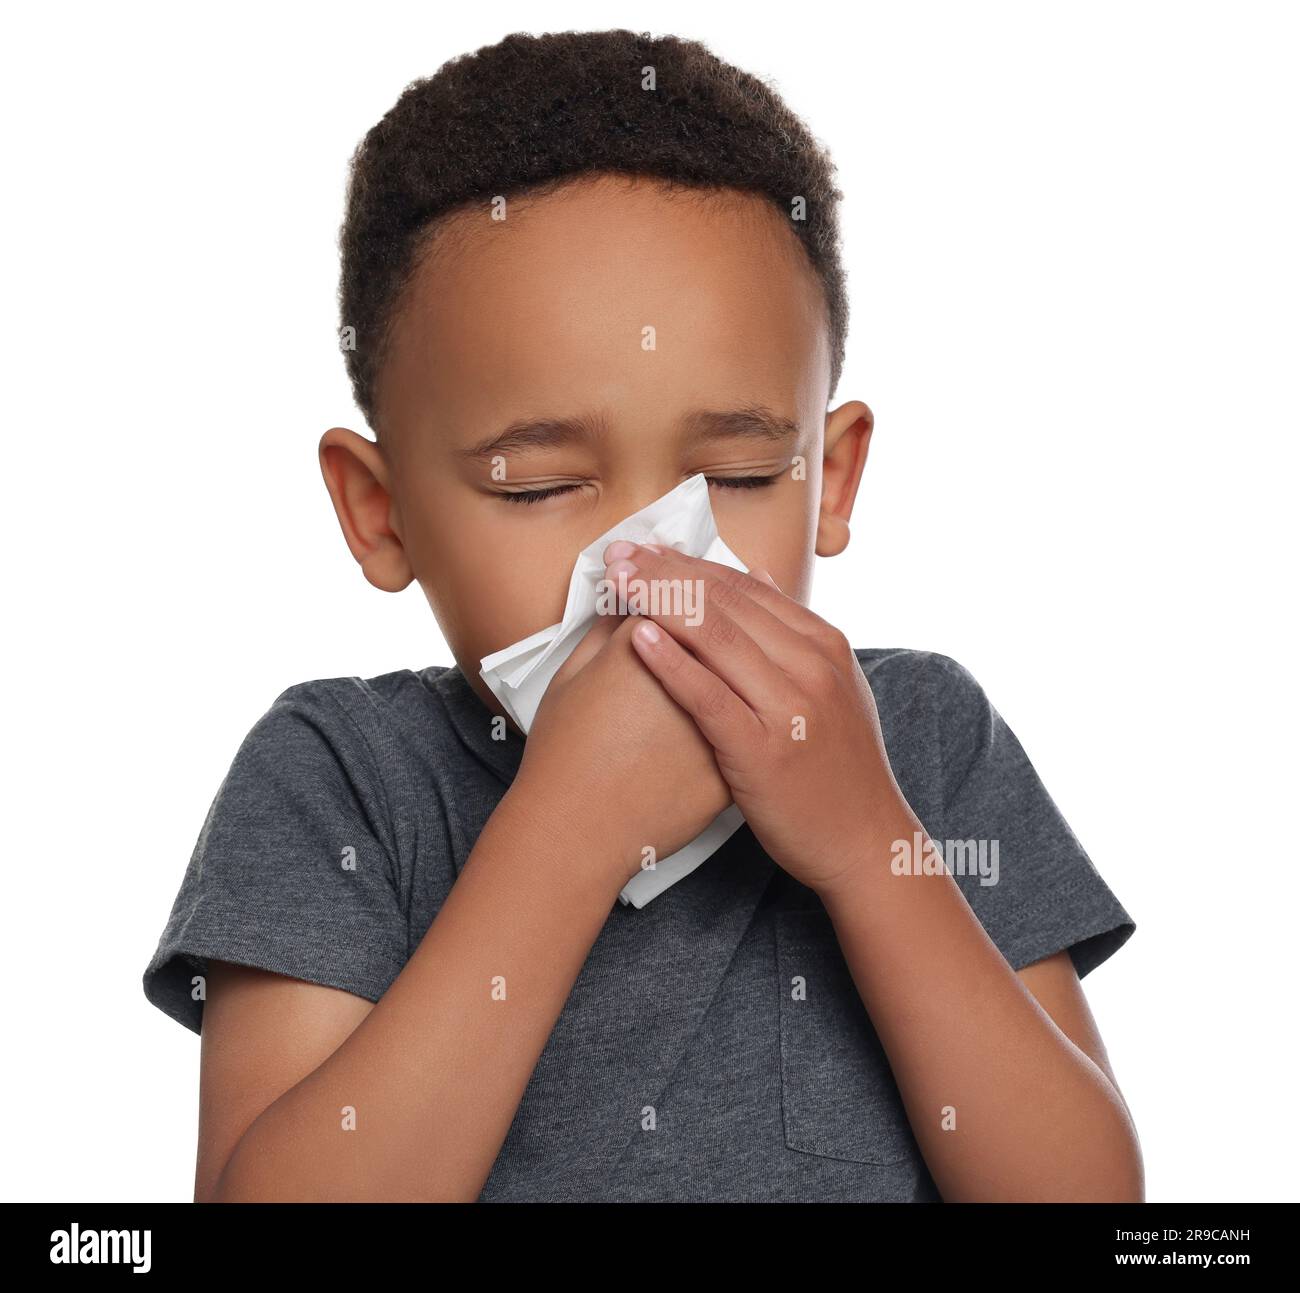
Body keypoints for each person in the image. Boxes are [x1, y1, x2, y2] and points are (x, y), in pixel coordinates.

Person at [142, 28, 1140, 1203]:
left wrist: (870, 849)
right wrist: (566, 829)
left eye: (743, 471)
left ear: (835, 474)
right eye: (540, 486)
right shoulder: (341, 780)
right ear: (381, 511)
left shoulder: (921, 738)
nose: (650, 565)